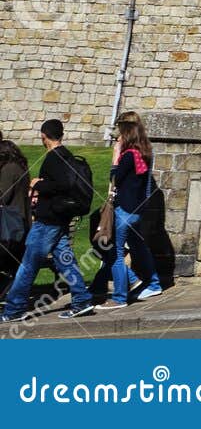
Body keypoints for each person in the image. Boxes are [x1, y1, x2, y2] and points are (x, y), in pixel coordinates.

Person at [1, 120, 95, 321]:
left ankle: (14, 310)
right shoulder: (66, 155)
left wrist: (39, 184)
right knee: (65, 260)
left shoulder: (53, 158)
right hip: (59, 219)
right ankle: (82, 299)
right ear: (61, 134)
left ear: (44, 135)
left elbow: (62, 184)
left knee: (28, 265)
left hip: (48, 220)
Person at [93, 118, 163, 311]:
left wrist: (116, 158)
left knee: (115, 253)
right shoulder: (143, 154)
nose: (118, 138)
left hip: (124, 210)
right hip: (136, 212)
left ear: (127, 136)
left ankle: (119, 297)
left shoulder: (127, 156)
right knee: (136, 246)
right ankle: (142, 282)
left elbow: (115, 178)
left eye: (120, 135)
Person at [0, 140, 31, 290]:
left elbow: (3, 196)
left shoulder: (8, 169)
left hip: (9, 225)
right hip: (21, 222)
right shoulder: (21, 167)